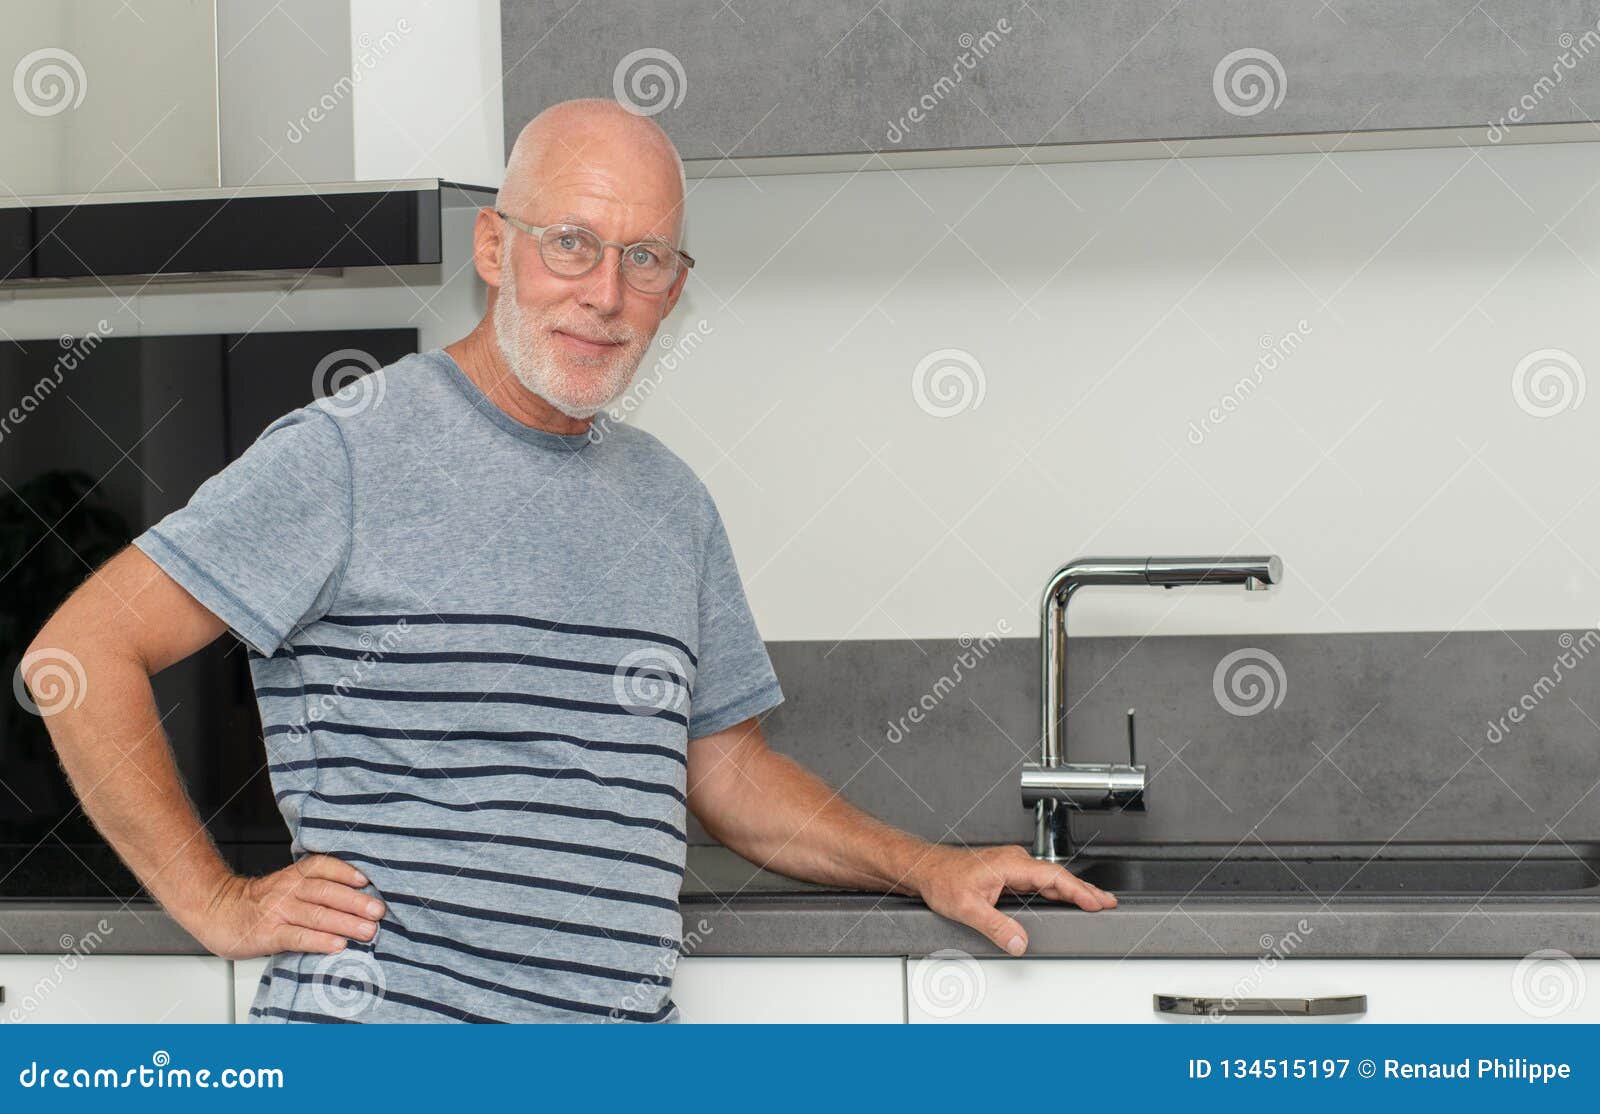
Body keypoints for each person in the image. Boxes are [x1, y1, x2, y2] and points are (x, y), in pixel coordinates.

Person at [25, 99, 1115, 1023]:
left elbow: (729, 775)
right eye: (572, 243)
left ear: (675, 289)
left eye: (645, 258)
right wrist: (217, 901)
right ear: (494, 249)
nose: (605, 293)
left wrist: (926, 865)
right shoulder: (350, 452)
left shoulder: (670, 503)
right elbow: (78, 653)